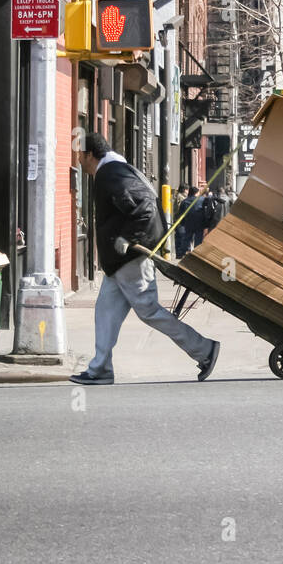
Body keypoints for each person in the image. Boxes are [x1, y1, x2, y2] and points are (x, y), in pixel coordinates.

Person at [70, 133, 219, 386]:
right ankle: (100, 368)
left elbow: (145, 208)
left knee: (149, 311)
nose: (79, 163)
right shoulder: (117, 170)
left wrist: (127, 239)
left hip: (129, 260)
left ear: (89, 155)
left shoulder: (110, 173)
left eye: (80, 157)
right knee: (105, 313)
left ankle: (204, 350)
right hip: (119, 263)